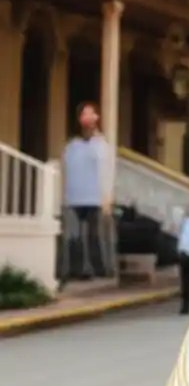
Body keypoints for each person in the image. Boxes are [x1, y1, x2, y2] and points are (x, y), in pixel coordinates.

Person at [61, 101, 115, 281]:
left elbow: (106, 170)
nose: (88, 118)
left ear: (97, 118)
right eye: (85, 114)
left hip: (95, 197)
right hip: (74, 196)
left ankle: (102, 270)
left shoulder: (101, 144)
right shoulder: (71, 144)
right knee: (74, 236)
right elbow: (66, 168)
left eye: (92, 114)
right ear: (78, 118)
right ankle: (77, 270)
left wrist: (107, 195)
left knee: (95, 236)